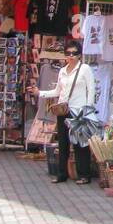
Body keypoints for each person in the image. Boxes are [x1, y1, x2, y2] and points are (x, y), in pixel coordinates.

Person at [32, 43, 97, 185]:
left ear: (79, 55)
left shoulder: (85, 69)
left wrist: (88, 110)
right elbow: (57, 91)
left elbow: (91, 90)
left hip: (79, 111)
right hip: (63, 110)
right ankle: (62, 174)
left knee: (80, 144)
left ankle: (84, 174)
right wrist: (40, 93)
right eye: (68, 53)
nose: (71, 56)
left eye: (74, 53)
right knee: (63, 143)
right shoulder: (62, 71)